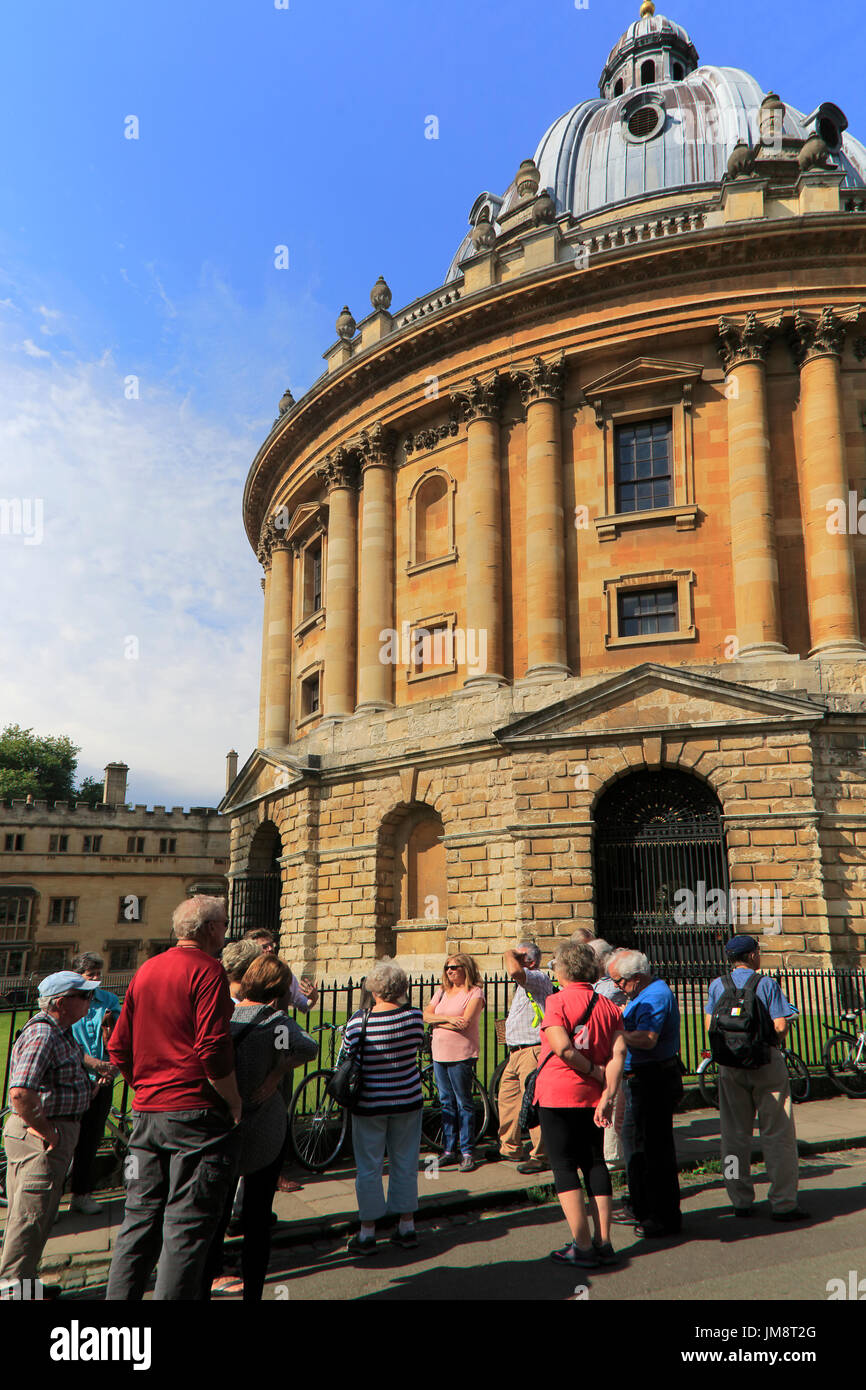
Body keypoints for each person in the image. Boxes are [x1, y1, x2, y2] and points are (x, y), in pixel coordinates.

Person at [105, 895, 243, 1301]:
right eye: (223, 923)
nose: (225, 930)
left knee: (138, 1222)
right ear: (210, 929)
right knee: (186, 1227)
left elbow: (118, 1047)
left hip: (147, 1114)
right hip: (196, 1117)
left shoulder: (147, 969)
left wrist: (144, 1087)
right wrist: (233, 1100)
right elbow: (213, 1048)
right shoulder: (208, 971)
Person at [204, 955, 317, 1297]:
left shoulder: (225, 1017)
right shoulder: (277, 1021)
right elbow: (308, 1048)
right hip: (265, 1132)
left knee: (217, 1213)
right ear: (280, 991)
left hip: (224, 1125)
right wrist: (278, 1072)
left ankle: (208, 1278)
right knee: (257, 1219)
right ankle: (252, 1290)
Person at [0, 971, 104, 1295]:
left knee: (39, 1215)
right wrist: (46, 1131)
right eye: (84, 996)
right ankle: (13, 1290)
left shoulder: (61, 1032)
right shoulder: (43, 1034)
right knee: (30, 1218)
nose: (90, 1000)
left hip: (50, 1133)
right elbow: (20, 1093)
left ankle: (25, 1285)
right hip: (41, 1137)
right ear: (62, 1002)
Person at [534, 942, 626, 1268]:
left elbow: (562, 1048)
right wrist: (607, 1091)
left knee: (563, 1165)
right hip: (593, 1097)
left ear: (562, 970)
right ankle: (604, 1241)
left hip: (559, 1094)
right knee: (595, 1163)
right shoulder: (609, 1006)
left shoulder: (556, 1001)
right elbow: (619, 1056)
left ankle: (582, 1245)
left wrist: (590, 1069)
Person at [706, 934, 807, 1222]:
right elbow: (778, 1027)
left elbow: (710, 1025)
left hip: (729, 1066)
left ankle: (739, 1199)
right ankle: (783, 1202)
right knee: (778, 1134)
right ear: (752, 956)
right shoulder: (766, 984)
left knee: (733, 1136)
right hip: (766, 1064)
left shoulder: (717, 985)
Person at [343, 959, 425, 1256]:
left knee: (369, 1166)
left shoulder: (357, 1021)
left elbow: (349, 1059)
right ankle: (406, 1227)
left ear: (373, 988)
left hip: (370, 1104)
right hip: (407, 1100)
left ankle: (367, 1233)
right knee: (405, 1162)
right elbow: (417, 1047)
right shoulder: (415, 1017)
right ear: (401, 987)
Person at [612, 950, 683, 1239]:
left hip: (651, 1078)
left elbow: (647, 1039)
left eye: (619, 981)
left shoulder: (654, 996)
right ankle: (642, 1206)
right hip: (643, 1078)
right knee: (638, 1146)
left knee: (652, 1150)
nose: (616, 985)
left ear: (636, 978)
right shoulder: (644, 994)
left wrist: (613, 1032)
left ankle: (661, 1215)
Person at [493, 942, 556, 1174]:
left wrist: (508, 952)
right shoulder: (524, 984)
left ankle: (540, 1155)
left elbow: (514, 971)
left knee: (534, 1103)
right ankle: (510, 1148)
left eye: (518, 956)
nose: (512, 959)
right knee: (508, 1100)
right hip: (516, 1052)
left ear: (529, 961)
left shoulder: (537, 977)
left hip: (532, 1050)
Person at [67, 953, 122, 1215]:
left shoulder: (109, 1001)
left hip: (103, 1078)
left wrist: (108, 1069)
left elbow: (120, 1037)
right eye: (91, 974)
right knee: (63, 1140)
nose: (97, 978)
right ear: (78, 975)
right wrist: (90, 1063)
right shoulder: (67, 1001)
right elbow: (64, 1037)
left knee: (91, 1138)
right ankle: (51, 1198)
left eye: (99, 973)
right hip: (72, 1079)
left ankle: (81, 1193)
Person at [423, 953, 485, 1172]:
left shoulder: (475, 993)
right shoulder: (441, 992)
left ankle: (467, 1151)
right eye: (447, 967)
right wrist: (448, 1020)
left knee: (464, 1103)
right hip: (439, 1053)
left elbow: (465, 1024)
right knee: (446, 1103)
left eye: (454, 967)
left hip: (461, 1054)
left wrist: (437, 1024)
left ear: (465, 969)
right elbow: (425, 1015)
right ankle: (449, 1150)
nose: (449, 971)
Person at [242, 929, 319, 1012]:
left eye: (272, 945)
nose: (270, 948)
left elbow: (303, 1005)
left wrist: (313, 998)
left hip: (279, 1024)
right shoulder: (243, 975)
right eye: (264, 947)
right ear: (252, 950)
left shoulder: (284, 974)